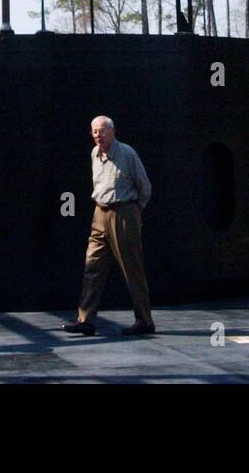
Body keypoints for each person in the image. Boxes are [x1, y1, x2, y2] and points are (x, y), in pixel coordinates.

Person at [62, 116, 156, 337]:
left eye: (102, 131)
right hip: (99, 213)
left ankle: (144, 320)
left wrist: (132, 212)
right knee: (92, 267)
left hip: (122, 213)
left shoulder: (127, 154)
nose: (98, 136)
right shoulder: (95, 153)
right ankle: (85, 320)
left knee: (131, 269)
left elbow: (145, 187)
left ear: (113, 132)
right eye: (94, 132)